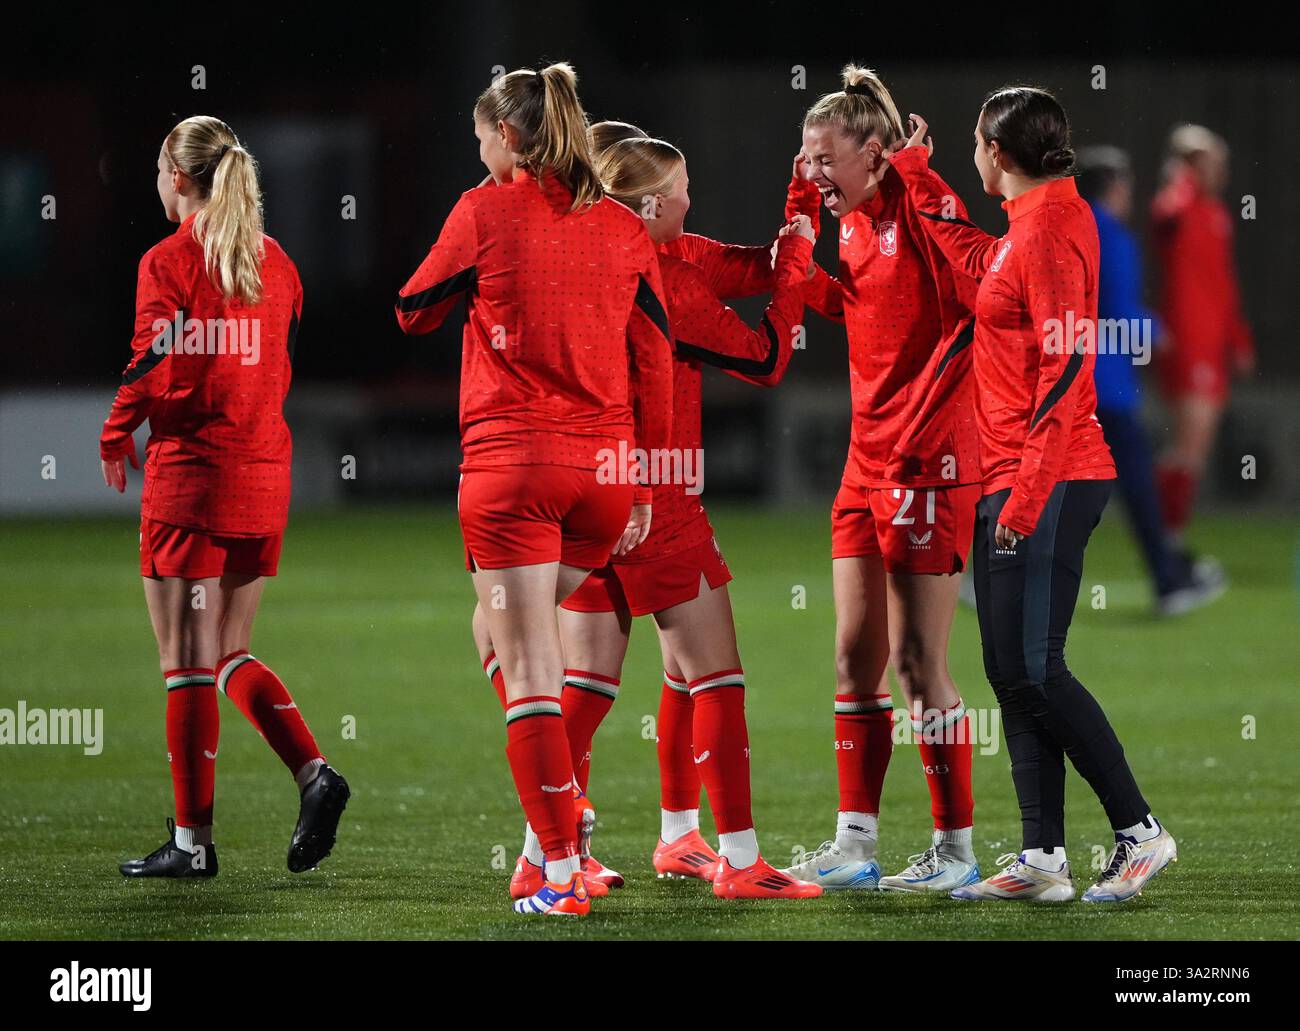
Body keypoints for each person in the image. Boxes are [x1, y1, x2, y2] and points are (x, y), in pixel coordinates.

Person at [396, 64, 675, 917]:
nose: (478, 152)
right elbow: (656, 359)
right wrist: (646, 483)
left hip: (513, 468)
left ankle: (559, 868)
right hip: (604, 478)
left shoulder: (483, 210)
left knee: (527, 673)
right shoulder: (624, 228)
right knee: (507, 634)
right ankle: (561, 813)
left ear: (509, 138)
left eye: (482, 138)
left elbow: (413, 307)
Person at [890, 88, 1177, 902]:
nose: (973, 155)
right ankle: (1042, 859)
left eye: (976, 143)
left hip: (1045, 476)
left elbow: (1069, 371)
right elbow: (976, 262)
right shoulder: (1033, 225)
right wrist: (917, 178)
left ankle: (1139, 831)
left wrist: (1023, 496)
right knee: (1011, 671)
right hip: (1017, 473)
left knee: (1034, 668)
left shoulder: (1050, 230)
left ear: (998, 152)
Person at [102, 116, 349, 879]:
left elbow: (151, 358)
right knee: (228, 653)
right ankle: (316, 776)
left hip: (193, 477)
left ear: (178, 177)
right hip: (263, 472)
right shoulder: (278, 263)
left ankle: (192, 842)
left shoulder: (168, 261)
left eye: (156, 172)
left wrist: (117, 431)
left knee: (184, 664)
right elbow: (284, 363)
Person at [777, 66, 983, 894]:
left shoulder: (924, 207)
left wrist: (925, 427)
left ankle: (957, 851)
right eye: (803, 158)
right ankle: (855, 843)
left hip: (927, 463)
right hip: (867, 464)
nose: (810, 173)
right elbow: (855, 304)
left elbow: (976, 312)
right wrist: (795, 238)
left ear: (874, 152)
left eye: (823, 159)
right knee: (851, 660)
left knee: (916, 664)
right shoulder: (855, 221)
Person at [1076, 145, 1226, 616]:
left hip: (1068, 381)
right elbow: (1118, 311)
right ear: (1115, 187)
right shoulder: (1113, 237)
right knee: (1138, 485)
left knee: (1051, 489)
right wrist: (1159, 332)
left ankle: (990, 578)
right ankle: (1169, 579)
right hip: (1108, 385)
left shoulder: (1070, 231)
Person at [1150, 125, 1254, 539]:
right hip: (1187, 340)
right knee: (1189, 443)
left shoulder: (1217, 216)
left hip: (1211, 344)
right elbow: (1165, 220)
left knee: (1195, 449)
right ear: (1189, 166)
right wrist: (1181, 177)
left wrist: (1238, 339)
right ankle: (1162, 524)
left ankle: (1167, 527)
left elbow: (1224, 284)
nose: (1221, 173)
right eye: (1211, 164)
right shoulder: (1177, 208)